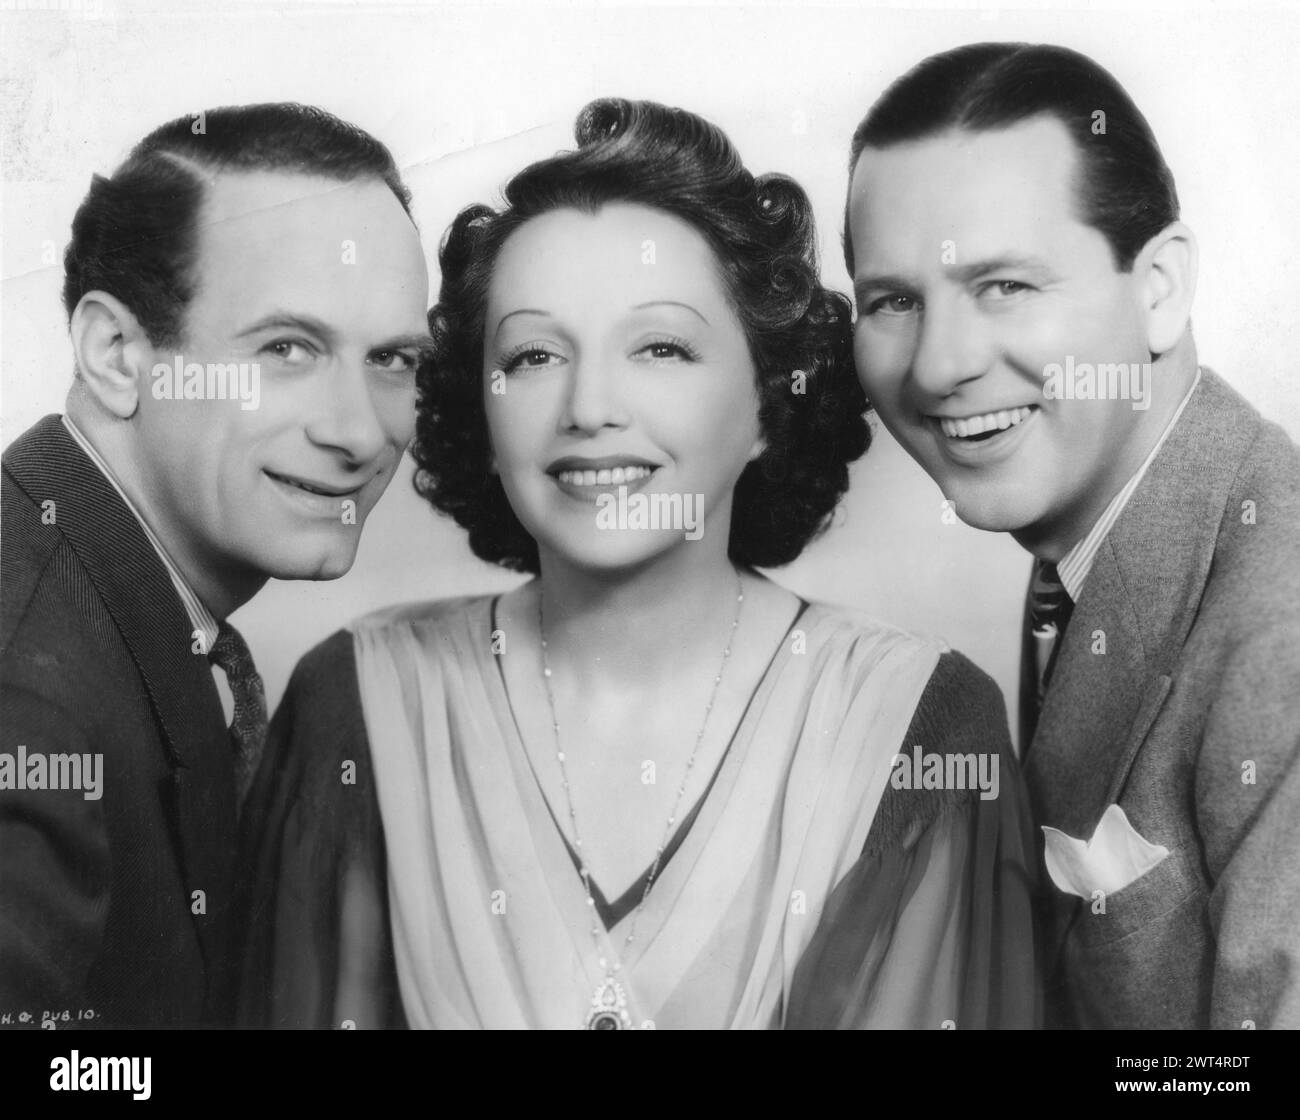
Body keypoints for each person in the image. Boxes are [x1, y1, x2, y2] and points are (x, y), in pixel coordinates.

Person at [240, 97, 1038, 1031]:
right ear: (482, 415)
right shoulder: (358, 705)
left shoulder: (920, 728)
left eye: (660, 347)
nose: (589, 407)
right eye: (534, 355)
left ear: (768, 403)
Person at [844, 42, 1300, 1029]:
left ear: (1160, 288)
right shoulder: (1083, 535)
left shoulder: (1281, 622)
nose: (939, 366)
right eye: (891, 301)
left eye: (1005, 285)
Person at [0, 103, 432, 1028]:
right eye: (287, 349)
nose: (359, 432)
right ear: (118, 354)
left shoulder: (96, 590)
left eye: (392, 359)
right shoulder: (25, 683)